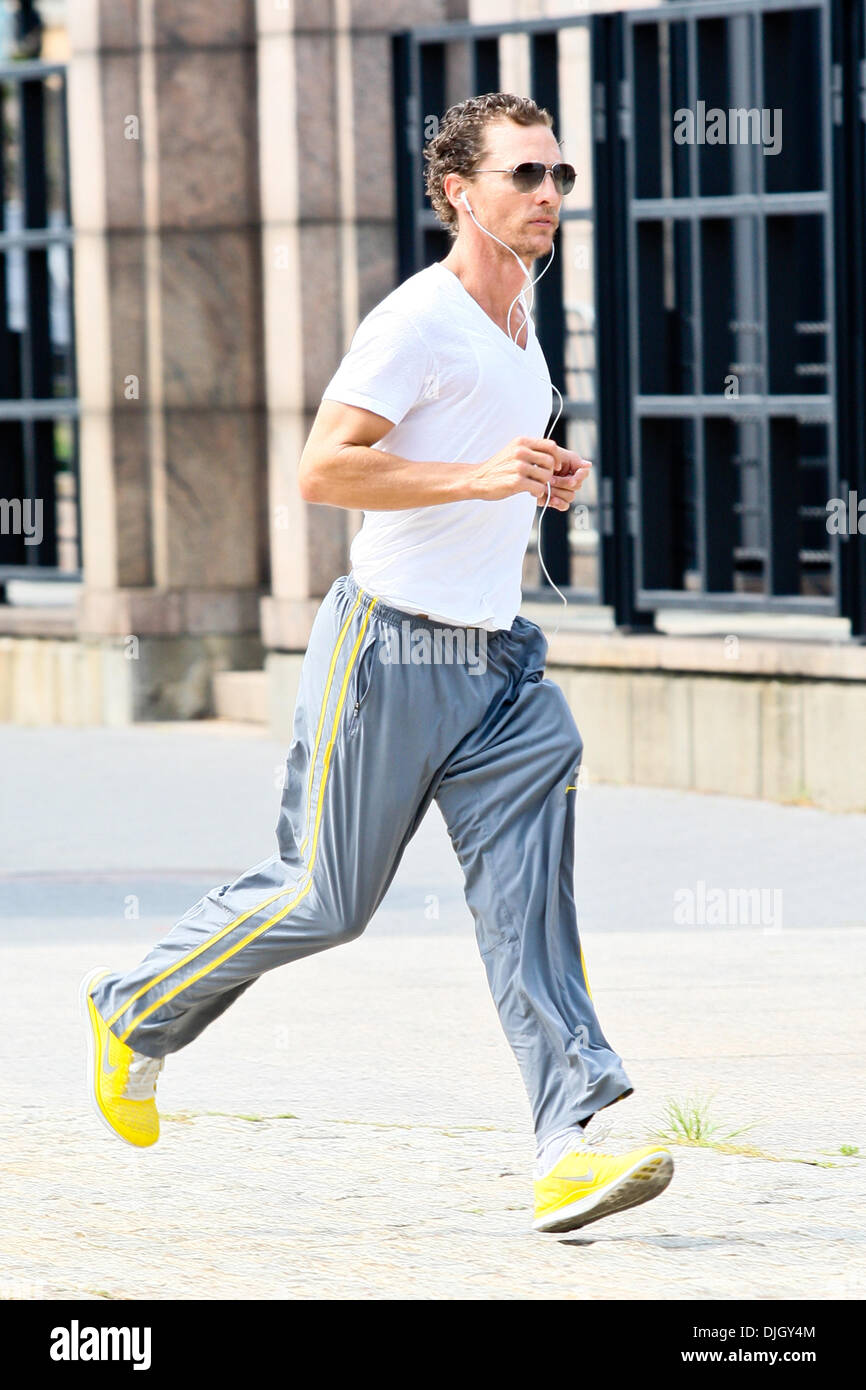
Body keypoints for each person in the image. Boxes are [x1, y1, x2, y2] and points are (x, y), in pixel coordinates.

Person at [81, 92, 673, 1235]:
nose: (548, 196)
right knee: (325, 898)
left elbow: (476, 460)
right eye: (524, 177)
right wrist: (479, 479)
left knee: (525, 902)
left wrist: (538, 479)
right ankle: (134, 1006)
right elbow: (322, 469)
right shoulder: (418, 318)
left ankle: (570, 1138)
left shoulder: (519, 320)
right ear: (460, 191)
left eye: (558, 177)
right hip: (387, 646)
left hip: (498, 663)